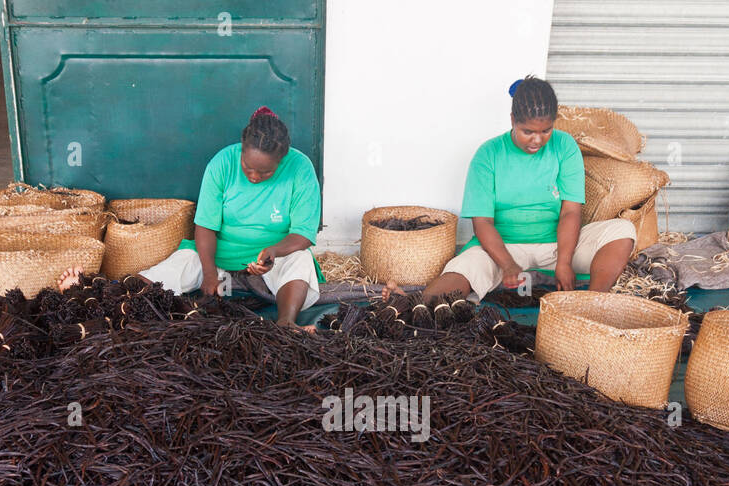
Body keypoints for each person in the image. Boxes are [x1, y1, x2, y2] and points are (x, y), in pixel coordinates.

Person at [59, 107, 323, 326]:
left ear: (282, 160)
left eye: (264, 173)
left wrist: (274, 252)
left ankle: (286, 322)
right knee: (176, 267)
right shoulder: (222, 163)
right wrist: (209, 274)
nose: (254, 177)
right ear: (241, 150)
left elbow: (303, 234)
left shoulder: (300, 169)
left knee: (300, 261)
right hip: (218, 256)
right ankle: (91, 292)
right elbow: (205, 227)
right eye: (247, 167)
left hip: (272, 259)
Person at [385, 76, 635, 303]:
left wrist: (564, 262)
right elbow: (482, 223)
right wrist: (507, 265)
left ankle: (593, 304)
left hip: (557, 244)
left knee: (622, 230)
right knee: (465, 267)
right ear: (513, 120)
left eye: (545, 131)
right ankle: (412, 303)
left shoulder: (565, 146)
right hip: (502, 247)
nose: (537, 140)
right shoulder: (488, 154)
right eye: (528, 132)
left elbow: (571, 212)